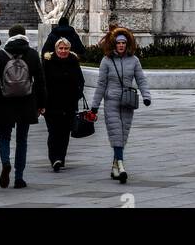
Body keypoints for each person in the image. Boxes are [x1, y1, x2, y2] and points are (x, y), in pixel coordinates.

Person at [88, 26, 151, 183]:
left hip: (128, 101)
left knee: (123, 133)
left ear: (127, 44)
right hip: (111, 101)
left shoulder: (134, 60)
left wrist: (146, 96)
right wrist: (94, 106)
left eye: (123, 42)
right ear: (114, 44)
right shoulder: (106, 61)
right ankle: (121, 166)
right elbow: (101, 84)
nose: (121, 45)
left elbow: (141, 79)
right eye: (118, 43)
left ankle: (115, 165)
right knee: (116, 133)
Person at [0, 25, 46, 190]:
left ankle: (6, 163)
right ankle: (19, 177)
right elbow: (40, 81)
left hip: (5, 101)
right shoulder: (32, 54)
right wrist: (41, 104)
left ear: (10, 36)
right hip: (26, 101)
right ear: (25, 36)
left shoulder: (1, 54)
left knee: (3, 137)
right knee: (22, 140)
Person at [42, 37, 84, 172]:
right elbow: (41, 84)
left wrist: (77, 94)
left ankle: (61, 157)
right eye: (61, 48)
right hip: (51, 104)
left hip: (69, 103)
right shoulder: (48, 62)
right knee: (53, 131)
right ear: (56, 49)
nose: (63, 51)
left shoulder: (73, 61)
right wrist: (41, 102)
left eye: (66, 48)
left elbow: (80, 80)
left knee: (65, 132)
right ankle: (54, 158)